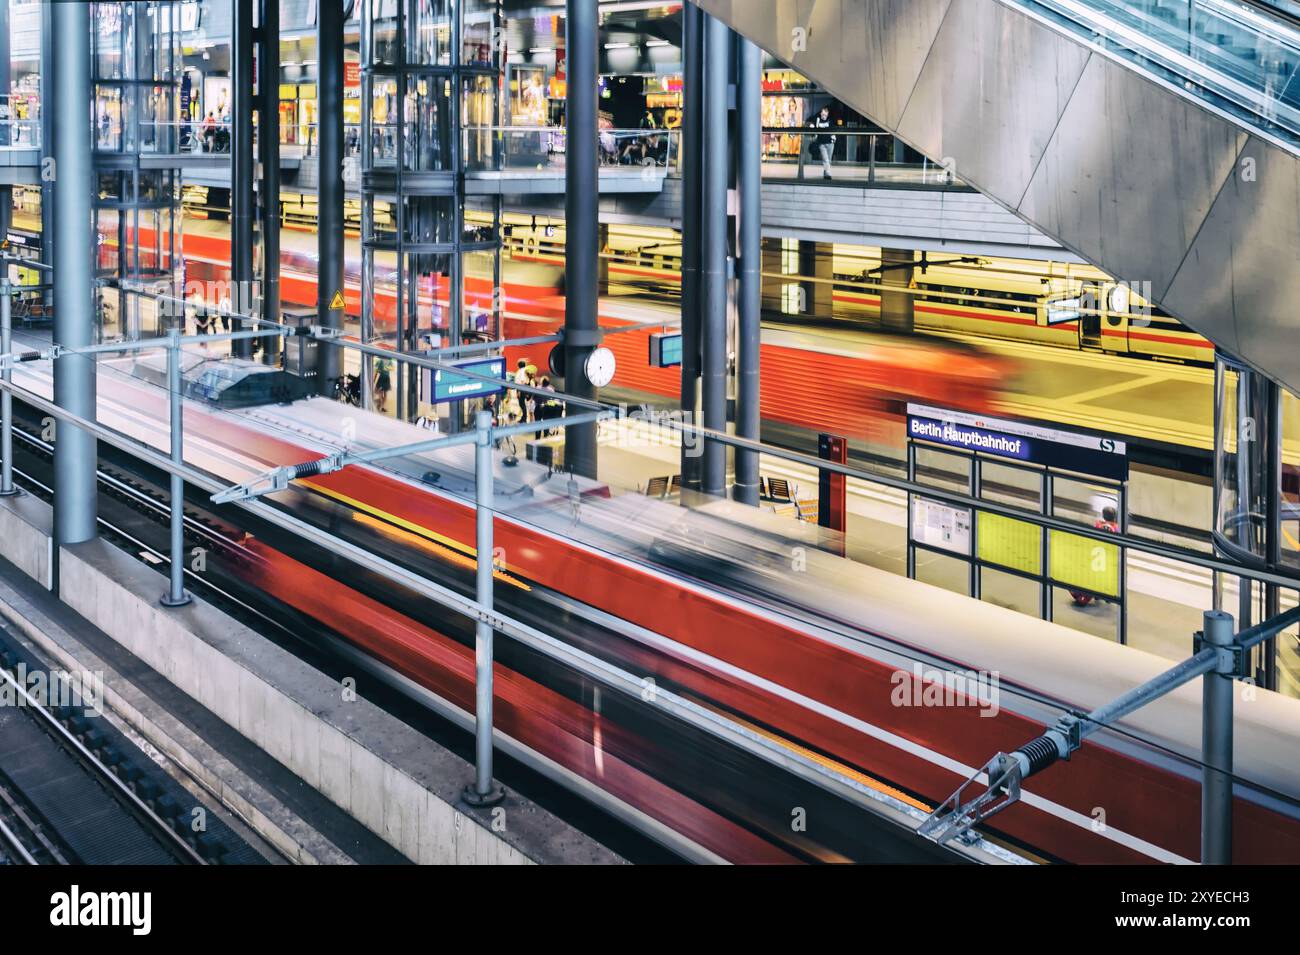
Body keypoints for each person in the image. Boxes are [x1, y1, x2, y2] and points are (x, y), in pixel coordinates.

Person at [1070, 505, 1119, 607]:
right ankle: (1107, 596)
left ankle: (1097, 594)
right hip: (1108, 556)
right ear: (1114, 517)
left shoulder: (1098, 524)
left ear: (1103, 515)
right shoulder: (1116, 528)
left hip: (1096, 554)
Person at [809, 106, 835, 180]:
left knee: (828, 160)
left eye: (825, 115)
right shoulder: (817, 120)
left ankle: (825, 174)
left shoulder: (830, 121)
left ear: (827, 114)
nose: (824, 116)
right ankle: (828, 174)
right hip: (821, 143)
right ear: (820, 113)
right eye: (823, 114)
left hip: (830, 143)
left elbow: (833, 131)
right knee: (825, 159)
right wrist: (812, 126)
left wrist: (833, 139)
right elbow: (812, 124)